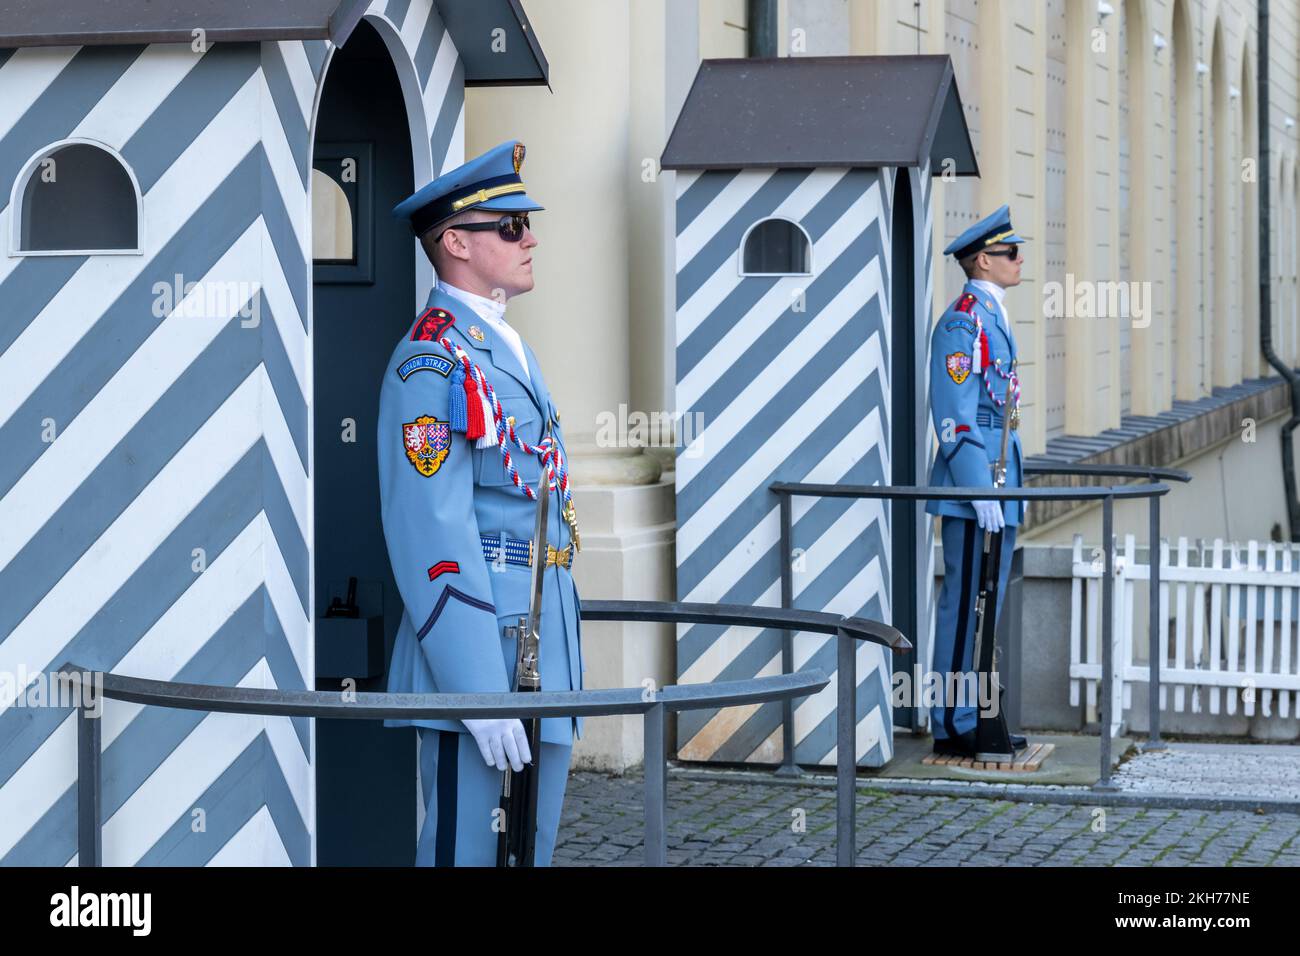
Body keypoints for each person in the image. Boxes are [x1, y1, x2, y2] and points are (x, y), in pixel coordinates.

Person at [377, 140, 584, 865]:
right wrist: (476, 688)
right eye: (510, 227)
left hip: (542, 639)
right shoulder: (432, 359)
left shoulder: (503, 346)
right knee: (468, 854)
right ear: (456, 242)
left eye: (526, 224)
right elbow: (429, 528)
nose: (530, 239)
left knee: (530, 852)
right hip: (483, 651)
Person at [925, 203, 1029, 757]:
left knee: (988, 606)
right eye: (1011, 252)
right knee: (965, 604)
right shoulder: (964, 320)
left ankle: (977, 712)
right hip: (978, 485)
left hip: (1001, 478)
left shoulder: (994, 315)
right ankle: (951, 720)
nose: (1020, 260)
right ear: (984, 261)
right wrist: (975, 487)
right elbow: (954, 411)